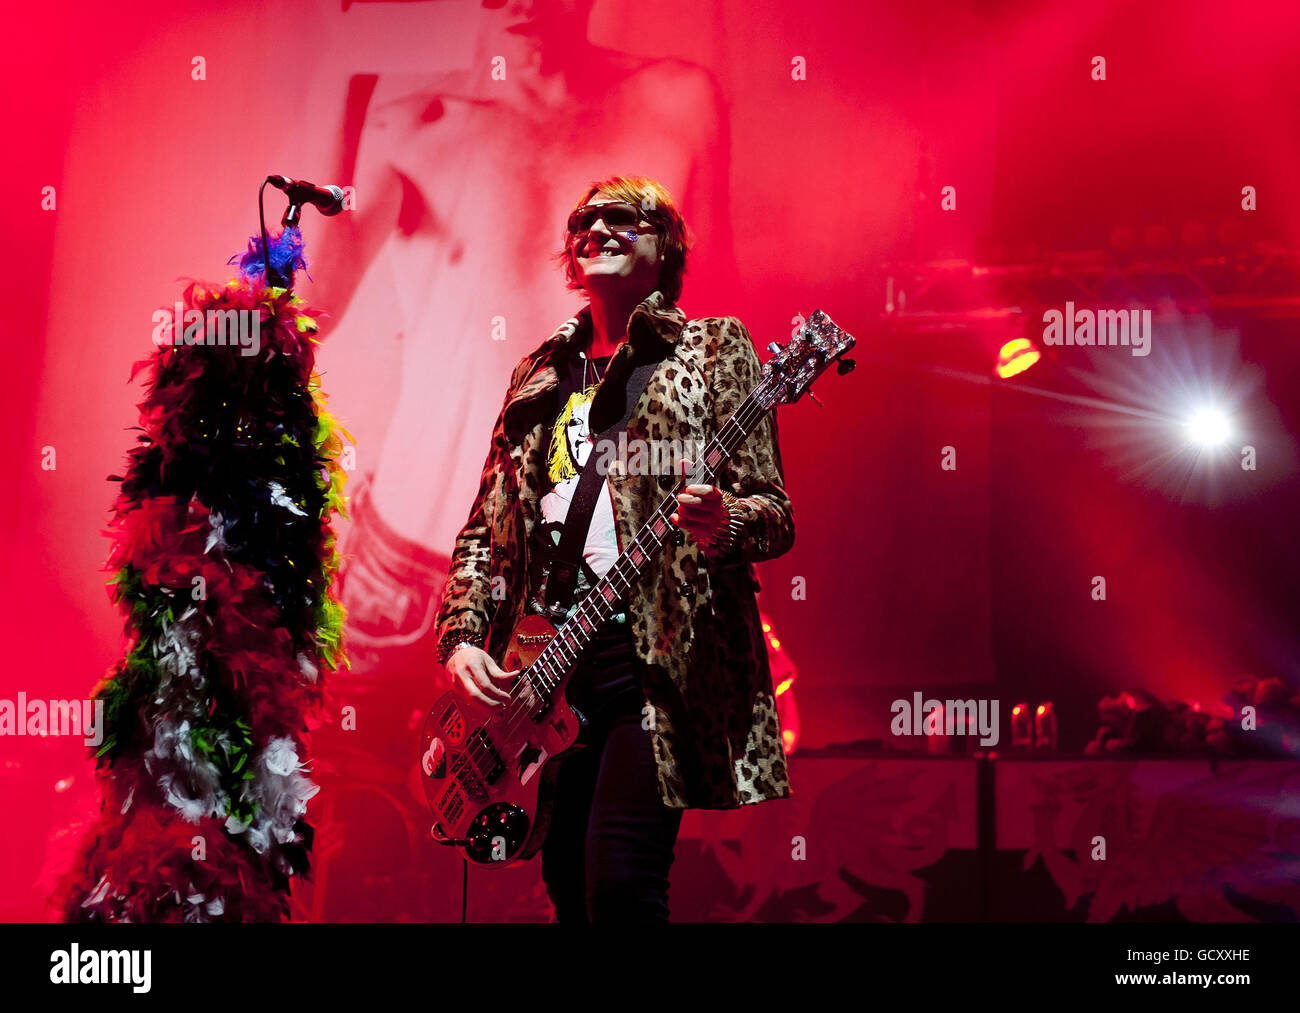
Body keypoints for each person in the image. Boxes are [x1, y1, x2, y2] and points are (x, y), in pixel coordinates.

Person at [435, 175, 794, 922]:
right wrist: (463, 637)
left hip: (650, 657)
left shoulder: (712, 349)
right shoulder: (536, 374)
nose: (595, 226)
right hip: (544, 660)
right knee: (568, 885)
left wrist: (723, 522)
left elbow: (775, 514)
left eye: (622, 216)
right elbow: (484, 522)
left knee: (622, 884)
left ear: (666, 248)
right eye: (582, 220)